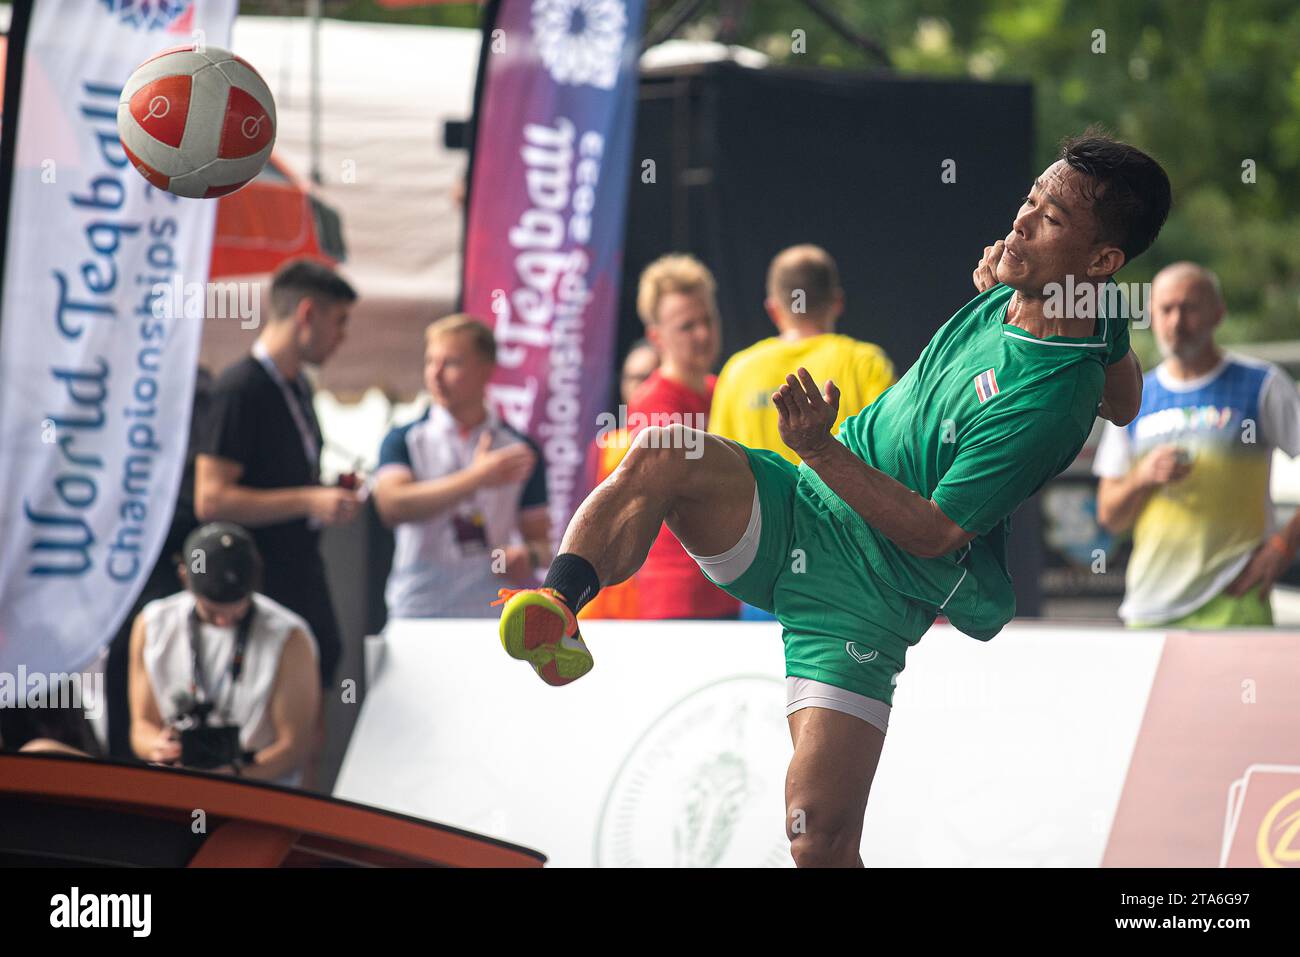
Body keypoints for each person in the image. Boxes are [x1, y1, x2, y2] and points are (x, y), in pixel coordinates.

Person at [492, 131, 1168, 865]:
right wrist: (1045, 284)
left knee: (817, 836)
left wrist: (819, 445)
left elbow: (936, 531)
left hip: (869, 594)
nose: (1021, 223)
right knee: (663, 450)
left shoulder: (1048, 405)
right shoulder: (1071, 300)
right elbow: (1126, 397)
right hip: (796, 508)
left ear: (1103, 261)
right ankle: (558, 607)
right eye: (1030, 200)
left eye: (1051, 220)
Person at [1093, 262, 1300, 627]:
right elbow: (1109, 517)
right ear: (1152, 317)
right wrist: (1143, 476)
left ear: (1218, 313)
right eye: (1166, 309)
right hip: (1151, 605)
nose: (1176, 322)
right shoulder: (1133, 397)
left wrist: (1284, 546)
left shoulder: (1261, 384)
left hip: (1237, 596)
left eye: (1189, 307)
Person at [195, 258, 361, 691]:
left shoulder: (298, 387)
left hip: (299, 573)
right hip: (258, 587)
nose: (344, 338)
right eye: (339, 322)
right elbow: (211, 499)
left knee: (319, 673)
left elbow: (281, 478)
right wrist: (310, 500)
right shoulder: (240, 388)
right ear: (307, 314)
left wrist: (327, 493)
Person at [372, 315, 550, 618]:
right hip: (419, 605)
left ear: (486, 370)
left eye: (451, 363)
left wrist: (528, 556)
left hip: (491, 610)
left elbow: (542, 542)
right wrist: (476, 478)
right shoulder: (406, 438)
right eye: (430, 362)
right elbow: (391, 506)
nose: (435, 375)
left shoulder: (519, 449)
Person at [128, 523, 320, 786]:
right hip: (177, 786)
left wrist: (232, 779)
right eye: (211, 610)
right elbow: (142, 727)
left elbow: (294, 748)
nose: (222, 621)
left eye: (235, 611)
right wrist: (157, 748)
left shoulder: (289, 637)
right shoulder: (153, 624)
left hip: (258, 789)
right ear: (185, 576)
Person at [624, 254, 739, 620]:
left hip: (728, 583)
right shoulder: (653, 402)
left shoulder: (721, 389)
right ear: (656, 337)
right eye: (687, 326)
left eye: (708, 320)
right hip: (677, 593)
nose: (703, 334)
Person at [709, 244, 894, 464]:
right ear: (837, 302)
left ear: (773, 309)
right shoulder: (867, 363)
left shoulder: (736, 371)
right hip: (848, 499)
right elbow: (892, 448)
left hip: (763, 500)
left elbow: (720, 462)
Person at [580, 340, 659, 620]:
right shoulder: (604, 444)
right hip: (613, 586)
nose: (640, 386)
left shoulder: (683, 441)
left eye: (650, 376)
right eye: (633, 377)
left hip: (658, 582)